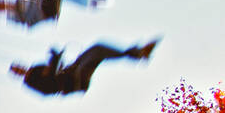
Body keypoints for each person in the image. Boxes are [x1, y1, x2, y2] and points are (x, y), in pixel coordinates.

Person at [11, 41, 158, 96]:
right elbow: (48, 86)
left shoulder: (36, 67)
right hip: (73, 81)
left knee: (97, 49)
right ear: (18, 75)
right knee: (94, 56)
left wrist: (55, 58)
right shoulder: (30, 82)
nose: (22, 69)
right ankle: (135, 54)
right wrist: (52, 68)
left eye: (19, 66)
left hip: (72, 70)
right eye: (18, 70)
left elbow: (53, 68)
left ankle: (136, 53)